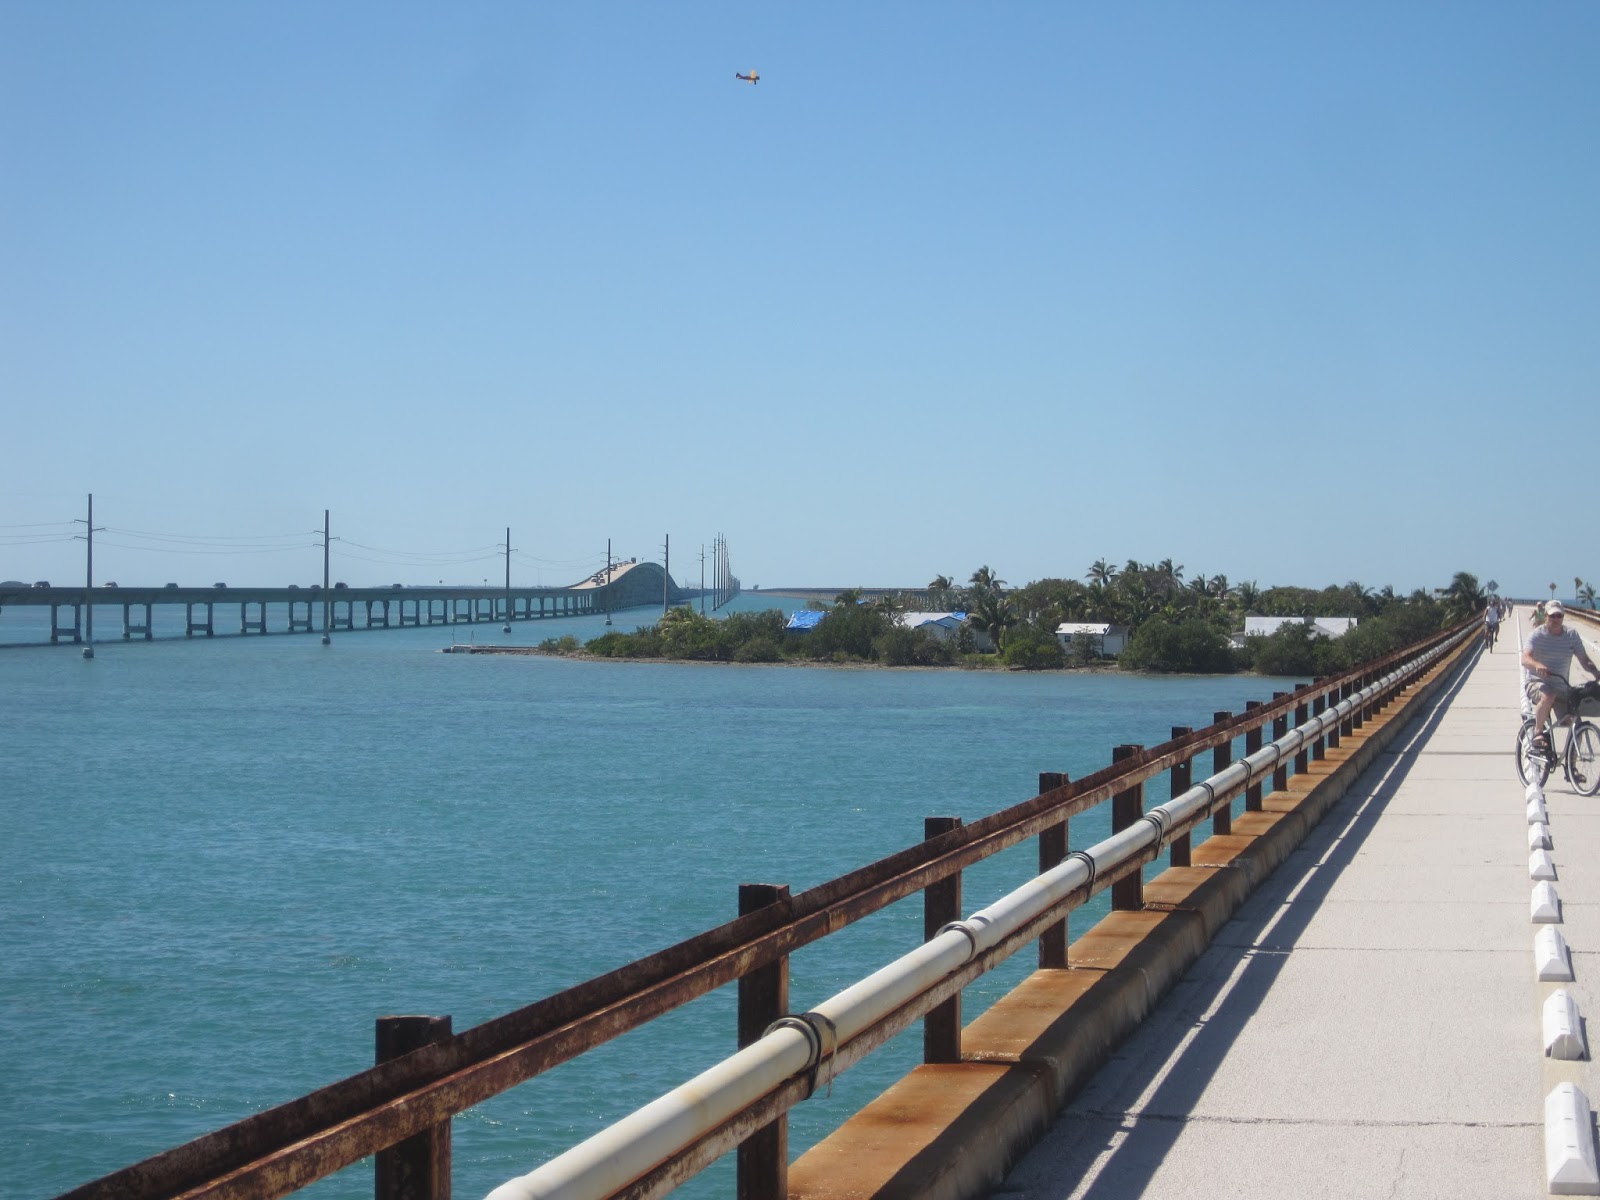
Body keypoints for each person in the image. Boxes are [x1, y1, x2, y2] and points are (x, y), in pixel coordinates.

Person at [1521, 601, 1600, 754]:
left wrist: (1595, 671)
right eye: (1552, 615)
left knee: (1575, 723)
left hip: (1561, 686)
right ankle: (1537, 732)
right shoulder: (1537, 635)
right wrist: (1537, 665)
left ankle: (1572, 766)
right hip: (1537, 682)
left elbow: (1583, 659)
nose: (1556, 619)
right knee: (1548, 695)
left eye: (1559, 615)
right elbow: (1525, 659)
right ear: (1546, 616)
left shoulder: (1571, 635)